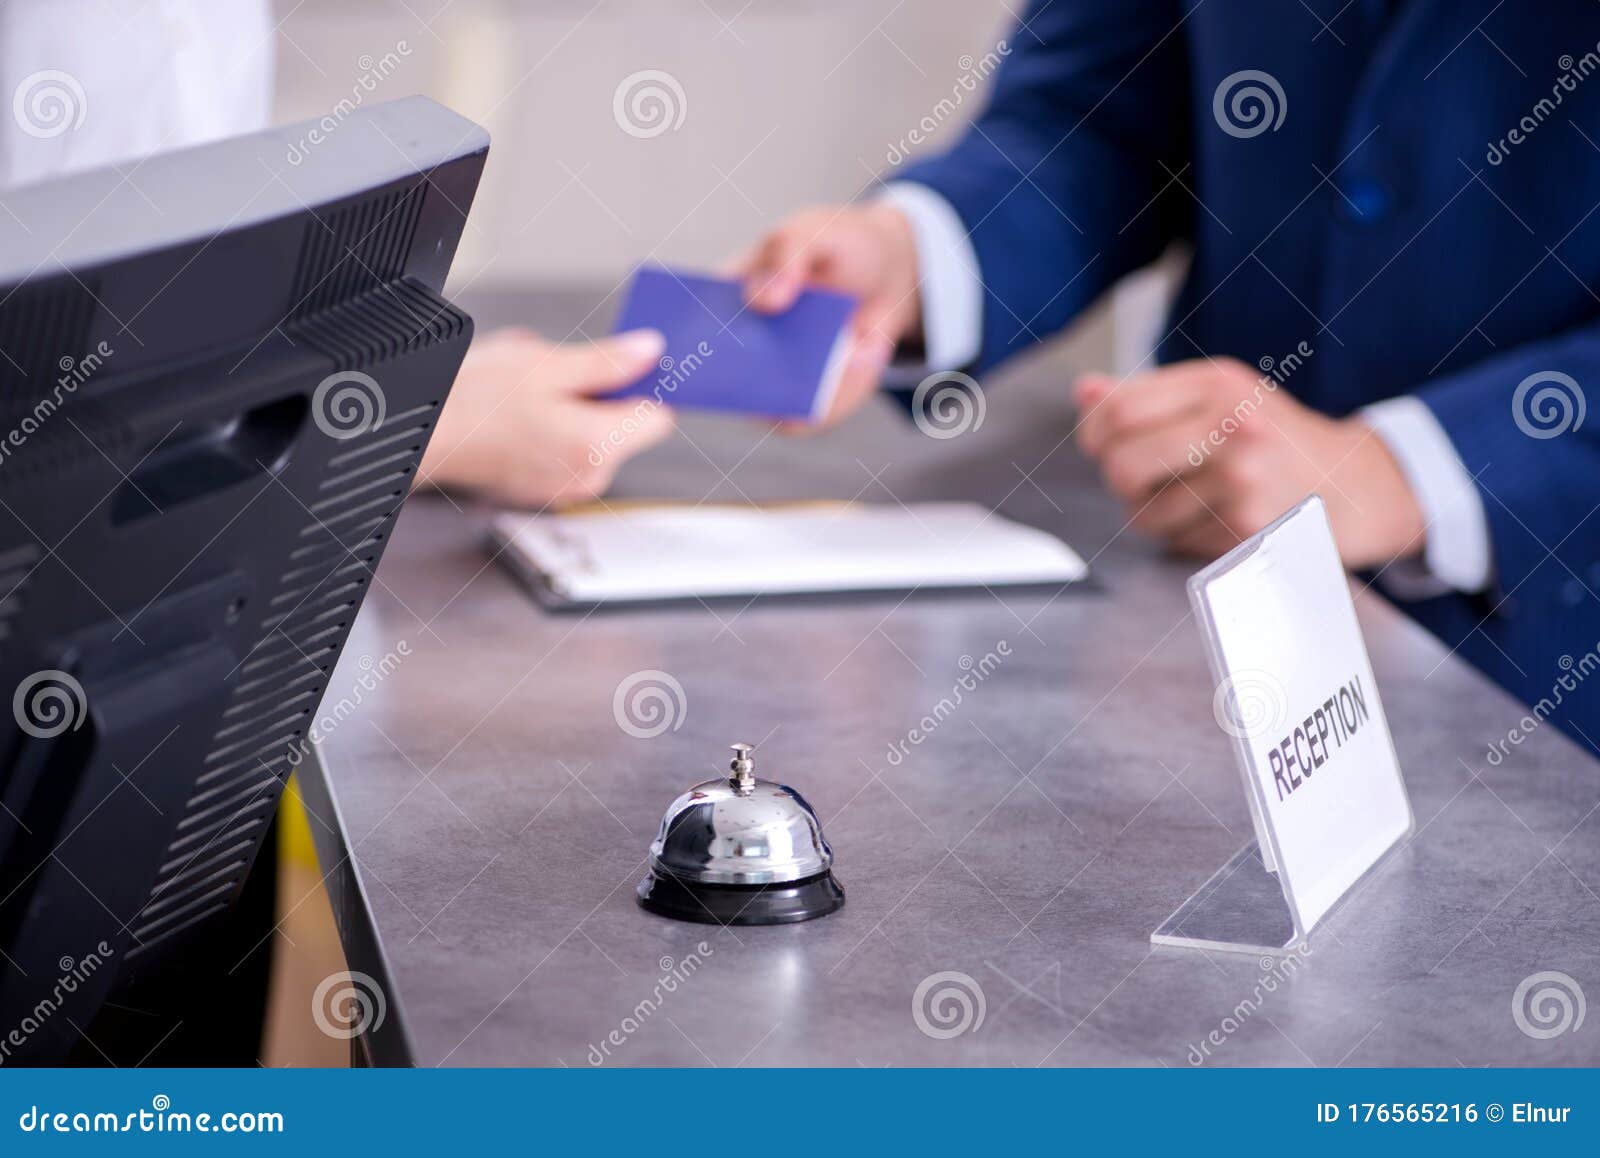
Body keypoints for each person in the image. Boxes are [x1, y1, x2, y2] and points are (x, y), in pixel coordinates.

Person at [738, 1, 1600, 750]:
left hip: (1556, 679)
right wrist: (922, 252)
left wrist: (1412, 472)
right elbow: (1099, 110)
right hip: (1201, 633)